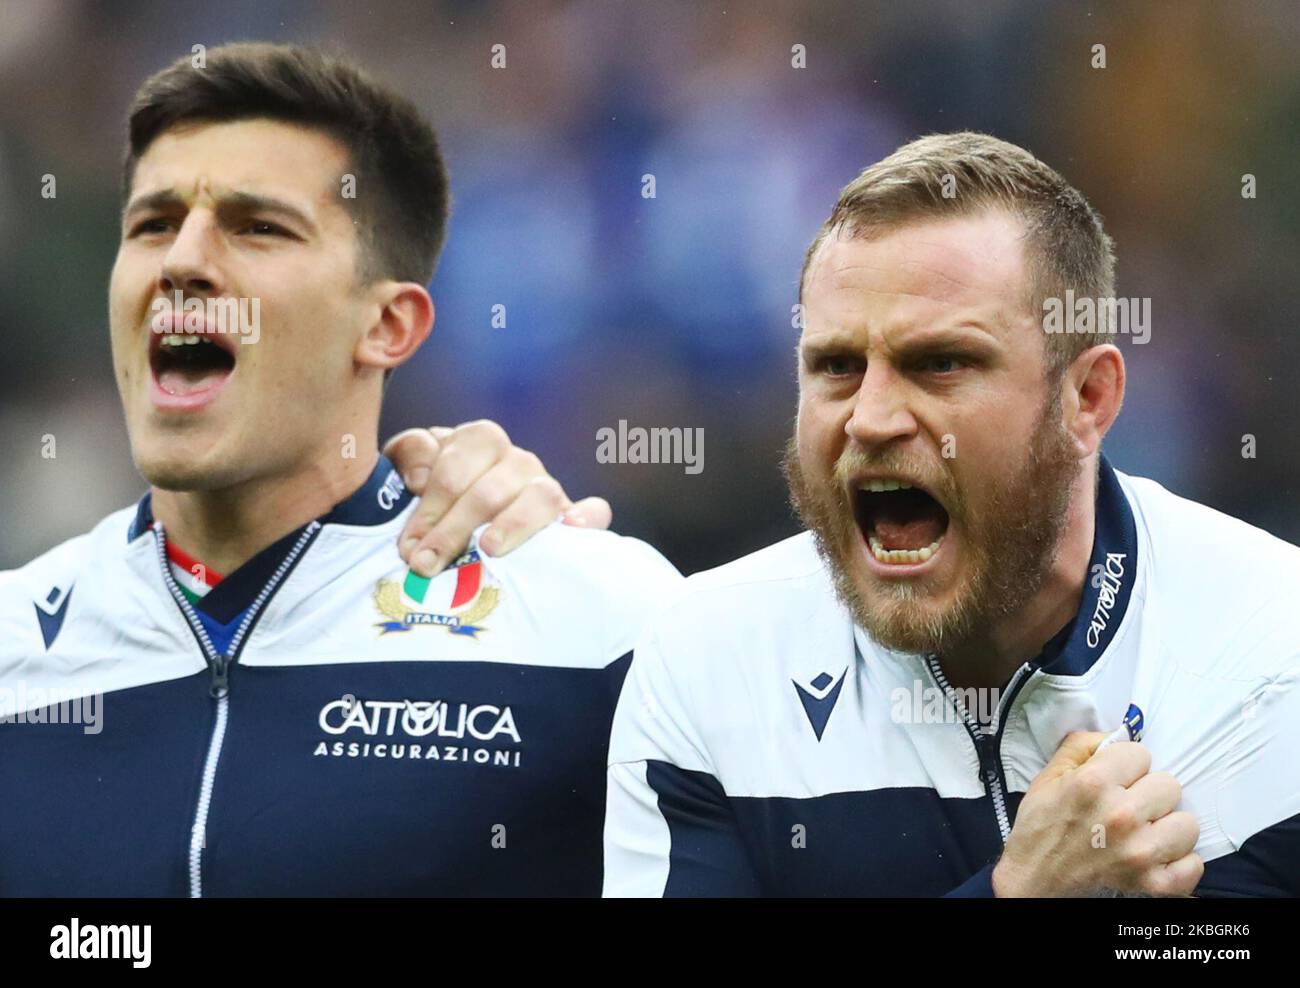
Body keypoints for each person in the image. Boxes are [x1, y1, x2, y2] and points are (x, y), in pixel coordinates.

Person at [0, 43, 679, 896]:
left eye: (258, 227)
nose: (181, 262)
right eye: (152, 224)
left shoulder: (595, 621)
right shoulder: (14, 642)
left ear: (389, 325)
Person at [599, 132, 1300, 897]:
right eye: (836, 366)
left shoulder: (1271, 655)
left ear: (1087, 400)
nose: (869, 419)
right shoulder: (711, 659)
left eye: (940, 363)